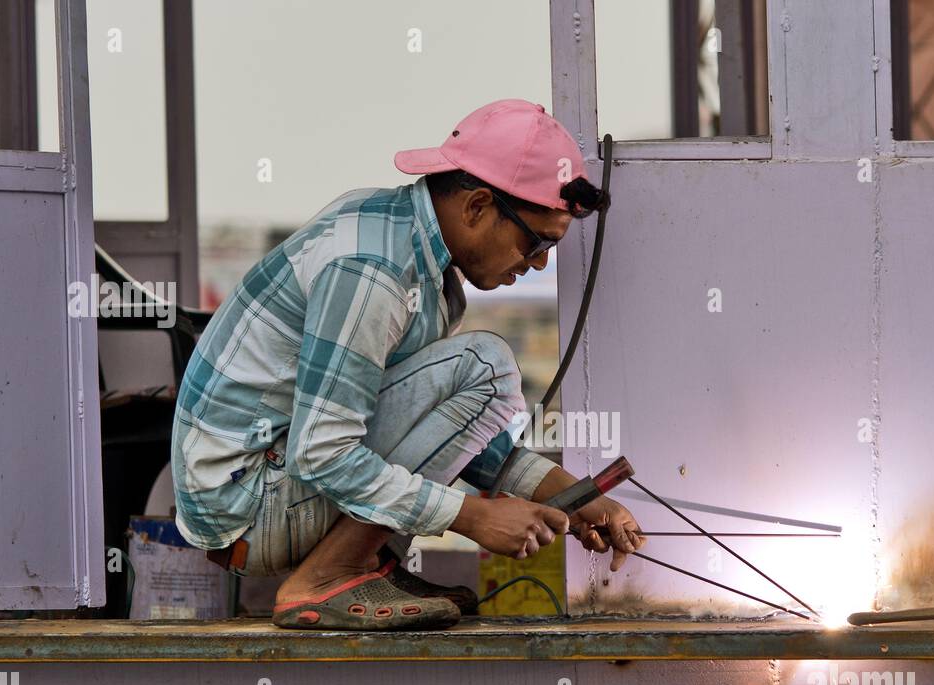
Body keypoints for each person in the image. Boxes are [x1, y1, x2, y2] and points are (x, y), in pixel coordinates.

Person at [171, 99, 645, 630]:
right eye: (536, 242)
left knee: (479, 374)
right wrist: (475, 519)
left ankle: (362, 564)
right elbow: (323, 452)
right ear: (477, 206)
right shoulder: (374, 271)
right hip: (250, 508)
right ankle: (328, 577)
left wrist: (570, 496)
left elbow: (445, 433)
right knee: (486, 367)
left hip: (267, 490)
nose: (537, 263)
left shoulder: (416, 255)